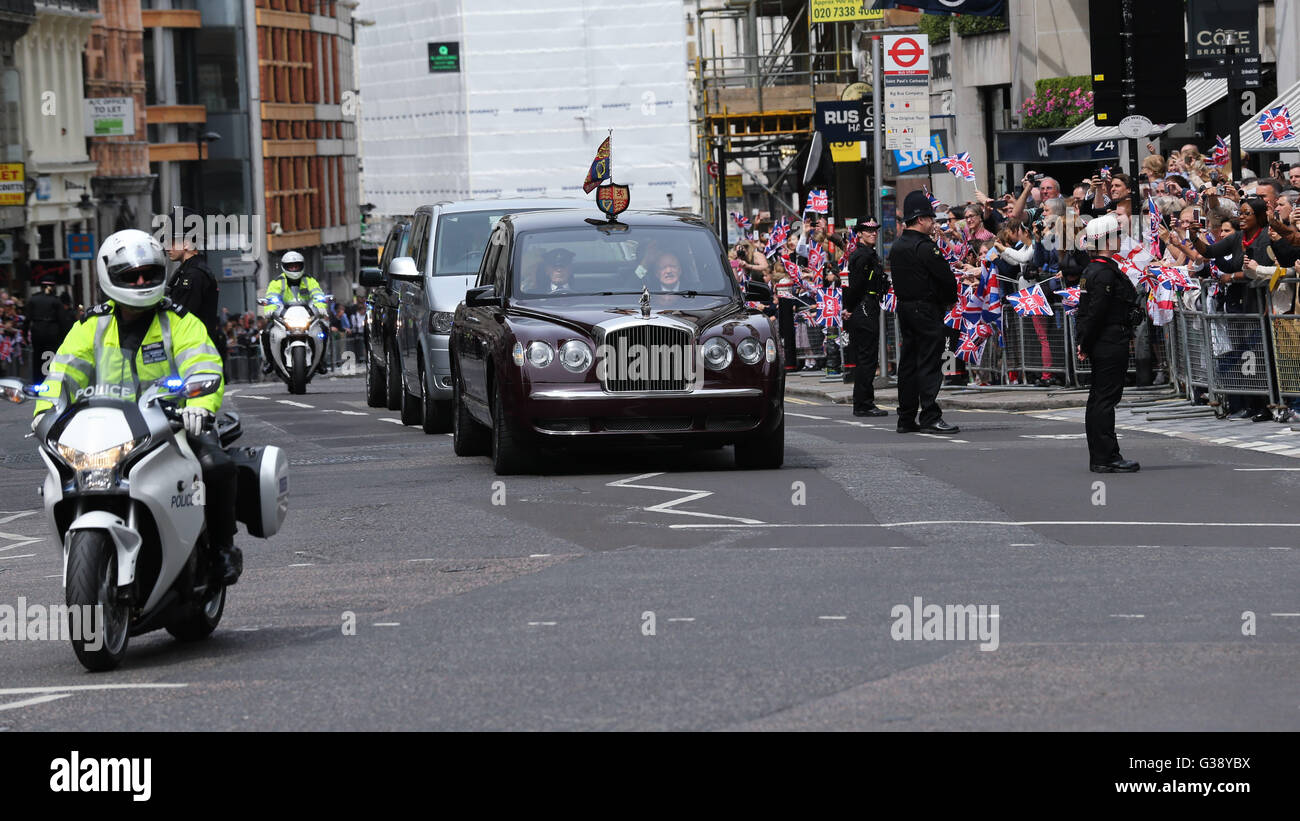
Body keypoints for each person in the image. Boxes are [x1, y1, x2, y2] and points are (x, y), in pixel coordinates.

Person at [31, 229, 242, 583]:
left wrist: (200, 406)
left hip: (172, 425)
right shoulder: (91, 326)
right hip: (107, 429)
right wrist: (45, 411)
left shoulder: (178, 321)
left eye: (149, 273)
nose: (141, 281)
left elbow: (204, 365)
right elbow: (62, 371)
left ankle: (222, 550)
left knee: (216, 465)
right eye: (131, 275)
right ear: (110, 278)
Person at [890, 190, 960, 434]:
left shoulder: (897, 246)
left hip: (905, 308)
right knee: (930, 362)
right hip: (926, 309)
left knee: (908, 364)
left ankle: (906, 417)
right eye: (930, 218)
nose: (933, 223)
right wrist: (950, 301)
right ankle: (930, 415)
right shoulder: (926, 247)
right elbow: (946, 279)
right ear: (920, 219)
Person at [1074, 214, 1140, 473]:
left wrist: (1083, 341)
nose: (1121, 239)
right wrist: (1086, 342)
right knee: (1104, 399)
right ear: (1107, 239)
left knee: (1100, 398)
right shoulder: (1103, 273)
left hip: (1102, 339)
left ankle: (1103, 454)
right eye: (1118, 235)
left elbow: (1085, 311)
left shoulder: (1093, 270)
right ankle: (1105, 456)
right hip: (1109, 340)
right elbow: (1096, 312)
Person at [166, 208, 226, 368]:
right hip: (191, 348)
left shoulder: (193, 275)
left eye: (171, 241)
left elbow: (183, 316)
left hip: (193, 350)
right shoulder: (188, 271)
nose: (166, 247)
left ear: (186, 243)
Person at [842, 217, 888, 416]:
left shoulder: (868, 254)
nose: (873, 233)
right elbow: (857, 285)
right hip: (864, 307)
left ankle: (863, 402)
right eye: (868, 230)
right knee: (867, 358)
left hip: (866, 305)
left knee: (867, 357)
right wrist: (849, 307)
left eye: (875, 230)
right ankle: (864, 404)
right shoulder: (863, 256)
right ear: (859, 233)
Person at [261, 250, 328, 373]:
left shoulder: (309, 280)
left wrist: (321, 306)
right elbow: (271, 297)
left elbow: (318, 294)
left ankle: (320, 361)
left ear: (302, 266)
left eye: (296, 266)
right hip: (284, 316)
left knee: (323, 330)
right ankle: (269, 362)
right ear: (284, 267)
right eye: (290, 266)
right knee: (266, 332)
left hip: (306, 316)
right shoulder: (277, 282)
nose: (294, 269)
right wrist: (269, 310)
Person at [24, 283, 65, 384]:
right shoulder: (56, 300)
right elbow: (63, 320)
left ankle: (38, 383)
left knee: (37, 359)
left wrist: (24, 334)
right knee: (50, 357)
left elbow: (27, 319)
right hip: (52, 333)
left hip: (37, 332)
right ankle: (50, 382)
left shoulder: (33, 299)